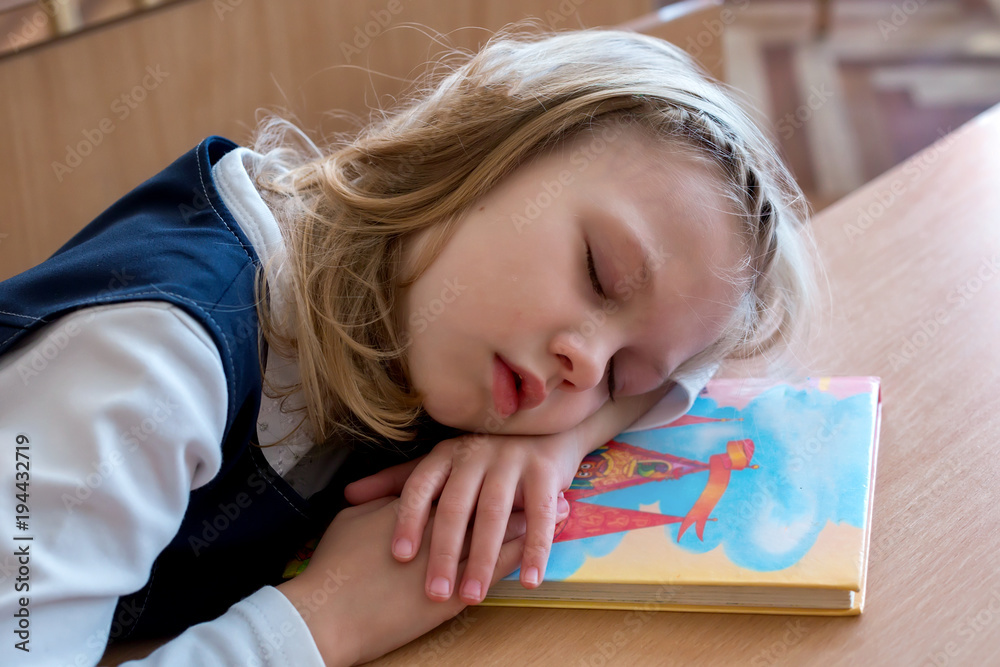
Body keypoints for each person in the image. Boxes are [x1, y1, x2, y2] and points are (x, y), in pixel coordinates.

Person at [0, 24, 819, 667]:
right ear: (486, 137)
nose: (588, 365)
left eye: (621, 374)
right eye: (600, 274)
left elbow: (698, 359)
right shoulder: (154, 364)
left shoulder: (429, 307)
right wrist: (326, 620)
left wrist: (564, 442)